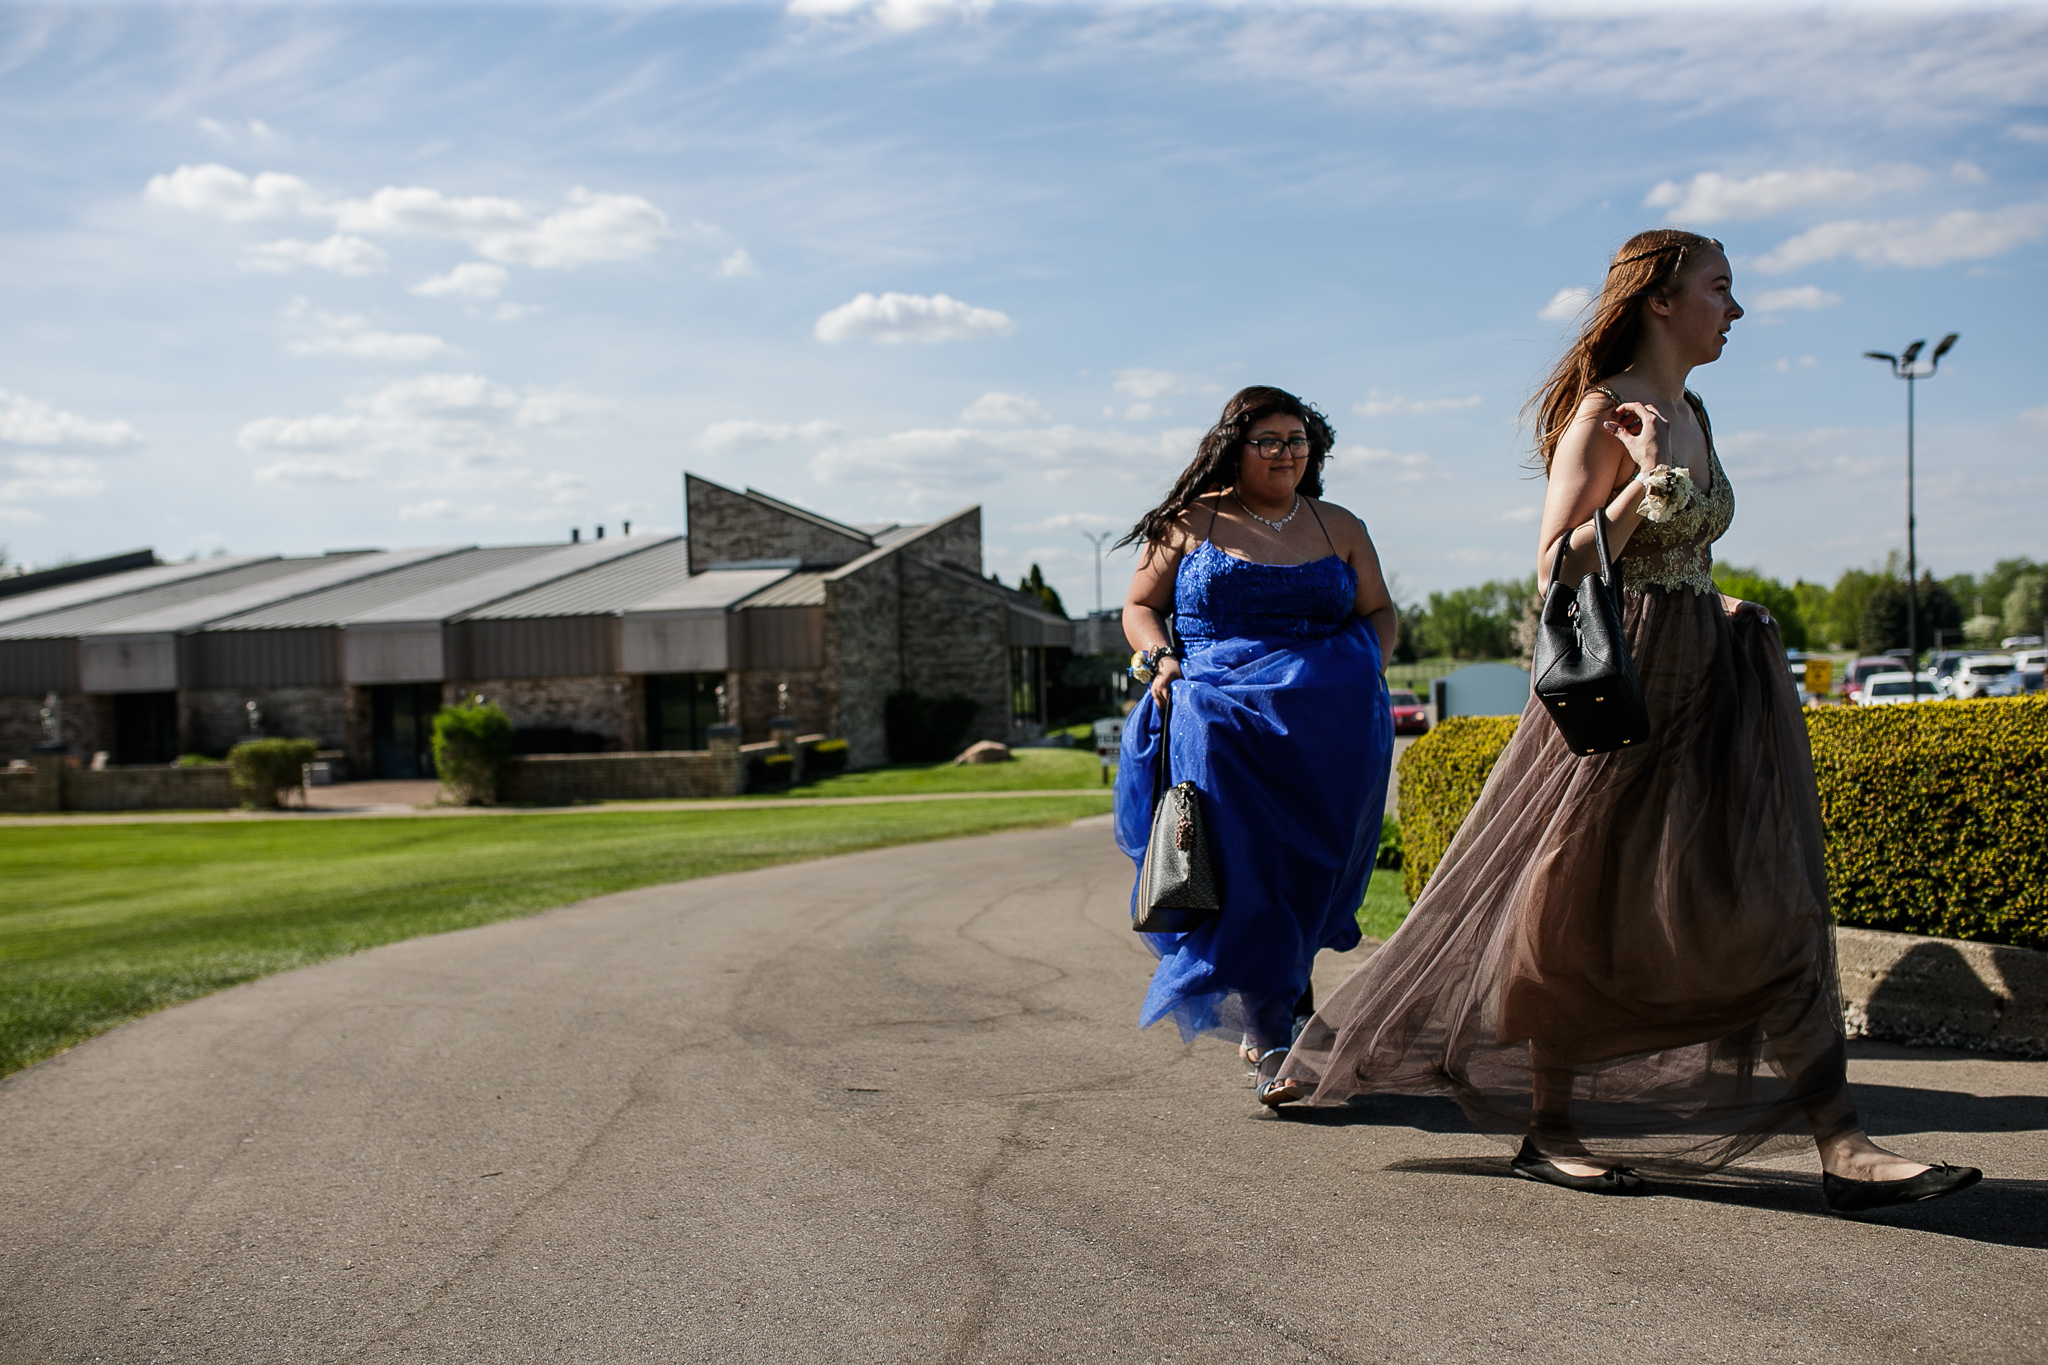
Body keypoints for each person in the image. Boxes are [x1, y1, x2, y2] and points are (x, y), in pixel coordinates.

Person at [1276, 230, 1982, 1214]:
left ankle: (1843, 1145)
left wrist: (1722, 604)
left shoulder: (1695, 407)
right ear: (1658, 299)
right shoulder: (1604, 413)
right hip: (1623, 692)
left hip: (1709, 679)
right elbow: (1554, 567)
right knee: (1577, 911)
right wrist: (1643, 480)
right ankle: (1547, 1129)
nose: (1732, 311)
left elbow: (1680, 560)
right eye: (1717, 289)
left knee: (1767, 901)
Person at [1113, 385, 1398, 1105]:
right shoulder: (1191, 521)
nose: (1286, 453)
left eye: (1298, 440)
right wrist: (1157, 659)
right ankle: (1276, 1033)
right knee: (1247, 864)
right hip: (1219, 719)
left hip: (1323, 723)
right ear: (1234, 447)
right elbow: (1141, 605)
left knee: (1305, 870)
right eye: (1268, 440)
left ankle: (1281, 1000)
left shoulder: (1341, 526)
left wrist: (1364, 676)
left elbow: (1378, 612)